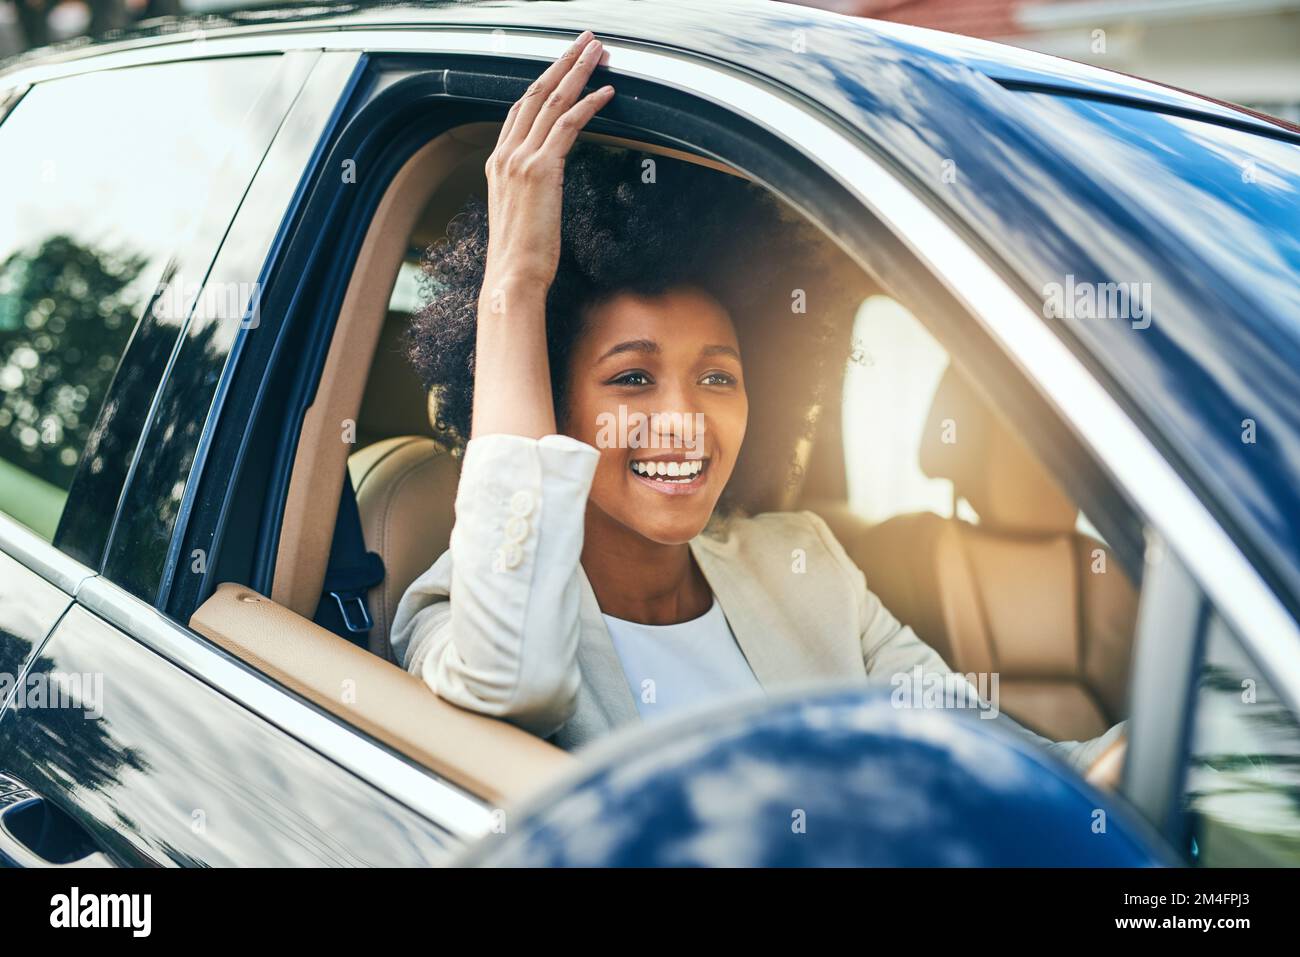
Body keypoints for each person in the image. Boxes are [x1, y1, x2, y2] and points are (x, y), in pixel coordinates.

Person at [392, 30, 1125, 769]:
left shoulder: (806, 565)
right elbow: (519, 682)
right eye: (633, 379)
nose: (683, 422)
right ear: (554, 399)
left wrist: (1143, 763)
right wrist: (515, 286)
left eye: (717, 377)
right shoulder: (461, 607)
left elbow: (993, 755)